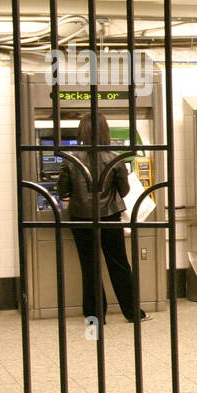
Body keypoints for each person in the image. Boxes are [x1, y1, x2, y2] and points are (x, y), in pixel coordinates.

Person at [56, 112, 152, 324]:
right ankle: (133, 312)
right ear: (105, 131)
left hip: (80, 219)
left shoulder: (70, 158)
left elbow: (62, 190)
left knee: (89, 267)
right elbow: (125, 191)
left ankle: (95, 316)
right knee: (119, 265)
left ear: (82, 132)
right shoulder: (114, 158)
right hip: (109, 217)